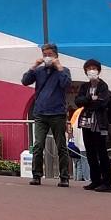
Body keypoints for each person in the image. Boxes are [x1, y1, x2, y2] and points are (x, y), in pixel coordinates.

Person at [21, 43, 73, 187]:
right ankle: (36, 176)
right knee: (38, 145)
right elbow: (25, 81)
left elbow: (66, 84)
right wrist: (34, 66)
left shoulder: (64, 71)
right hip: (40, 113)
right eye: (45, 55)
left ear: (56, 55)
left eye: (50, 55)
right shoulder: (39, 71)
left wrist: (59, 67)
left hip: (58, 113)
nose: (47, 57)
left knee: (61, 146)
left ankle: (64, 177)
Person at [77, 58, 111, 193]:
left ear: (99, 71)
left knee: (102, 152)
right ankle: (95, 180)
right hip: (86, 123)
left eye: (94, 68)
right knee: (90, 153)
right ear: (85, 71)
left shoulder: (103, 86)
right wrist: (90, 99)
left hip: (99, 123)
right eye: (89, 69)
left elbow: (102, 102)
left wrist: (88, 102)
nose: (91, 71)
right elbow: (78, 101)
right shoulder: (84, 87)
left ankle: (107, 182)